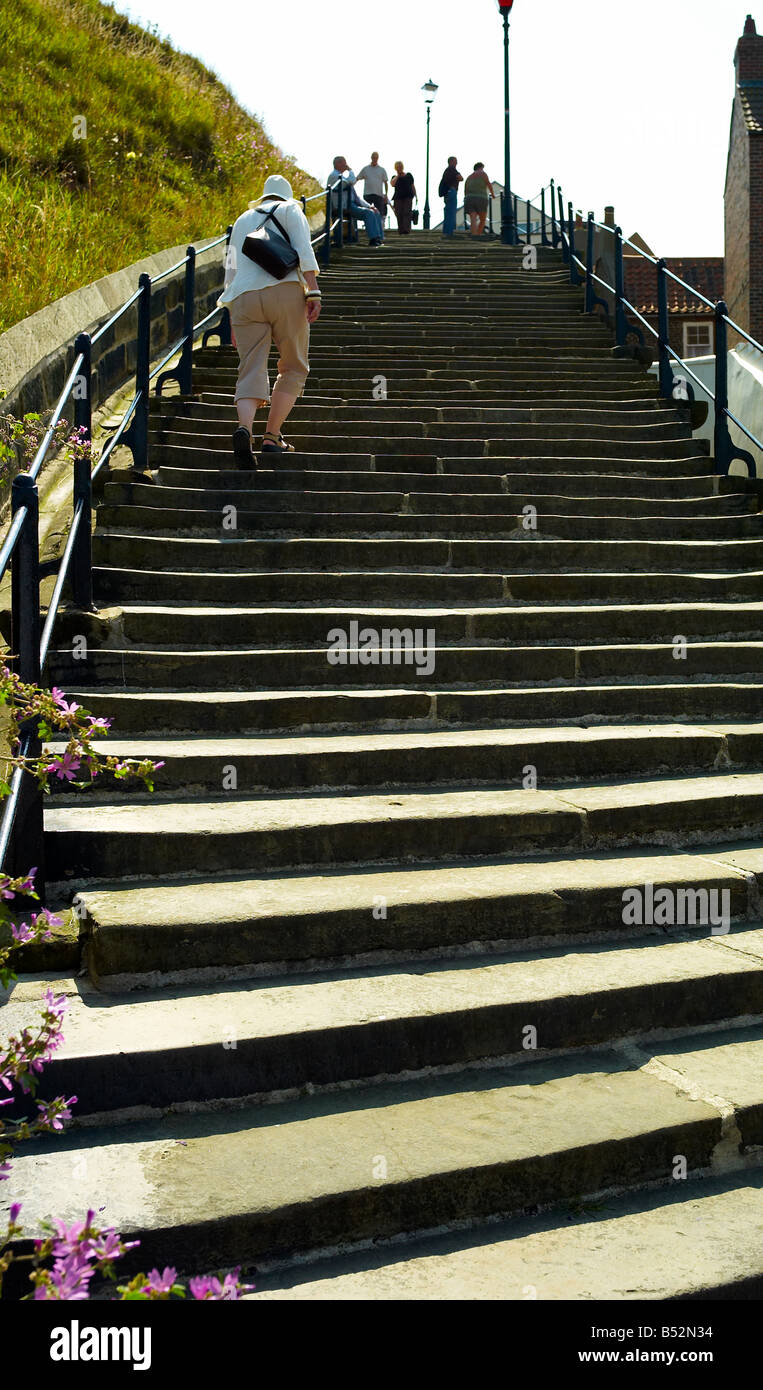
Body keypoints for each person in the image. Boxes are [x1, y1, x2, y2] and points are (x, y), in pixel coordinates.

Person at [218, 173, 321, 464]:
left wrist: (230, 313)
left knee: (250, 368)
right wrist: (313, 292)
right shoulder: (291, 210)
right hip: (285, 290)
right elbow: (304, 250)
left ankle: (244, 428)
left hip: (244, 298)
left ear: (263, 196)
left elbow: (231, 265)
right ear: (286, 195)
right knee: (293, 366)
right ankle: (272, 436)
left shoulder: (242, 219)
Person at [327, 156, 384, 245]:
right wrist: (350, 171)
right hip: (344, 205)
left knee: (375, 211)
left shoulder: (341, 177)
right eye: (343, 163)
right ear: (337, 164)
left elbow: (356, 197)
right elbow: (352, 180)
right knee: (368, 213)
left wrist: (369, 206)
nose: (345, 165)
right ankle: (373, 239)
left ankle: (379, 238)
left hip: (350, 203)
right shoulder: (334, 176)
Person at [464, 162, 494, 237]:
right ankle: (478, 235)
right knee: (482, 219)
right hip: (481, 198)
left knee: (473, 217)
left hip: (469, 198)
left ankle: (474, 234)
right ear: (480, 168)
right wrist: (492, 194)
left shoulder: (469, 177)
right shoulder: (483, 174)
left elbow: (465, 190)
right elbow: (488, 184)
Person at [356, 152, 389, 219]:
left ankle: (379, 227)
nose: (375, 159)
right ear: (371, 158)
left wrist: (386, 194)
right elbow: (357, 178)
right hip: (367, 194)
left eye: (376, 157)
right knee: (367, 212)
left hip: (378, 194)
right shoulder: (365, 169)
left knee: (379, 213)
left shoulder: (382, 170)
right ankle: (367, 227)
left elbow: (385, 182)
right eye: (373, 157)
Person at [438, 156, 462, 237]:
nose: (457, 163)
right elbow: (461, 178)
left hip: (447, 193)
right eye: (455, 161)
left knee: (448, 212)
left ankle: (446, 231)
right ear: (451, 162)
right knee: (451, 212)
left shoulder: (447, 170)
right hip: (451, 191)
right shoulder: (452, 170)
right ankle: (449, 232)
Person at [390, 161, 416, 234]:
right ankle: (401, 230)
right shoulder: (394, 177)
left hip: (408, 197)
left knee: (407, 213)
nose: (399, 168)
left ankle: (406, 230)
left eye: (400, 167)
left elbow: (412, 185)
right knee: (399, 213)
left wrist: (416, 195)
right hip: (398, 198)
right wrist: (398, 176)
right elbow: (392, 184)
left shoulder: (408, 175)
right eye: (397, 167)